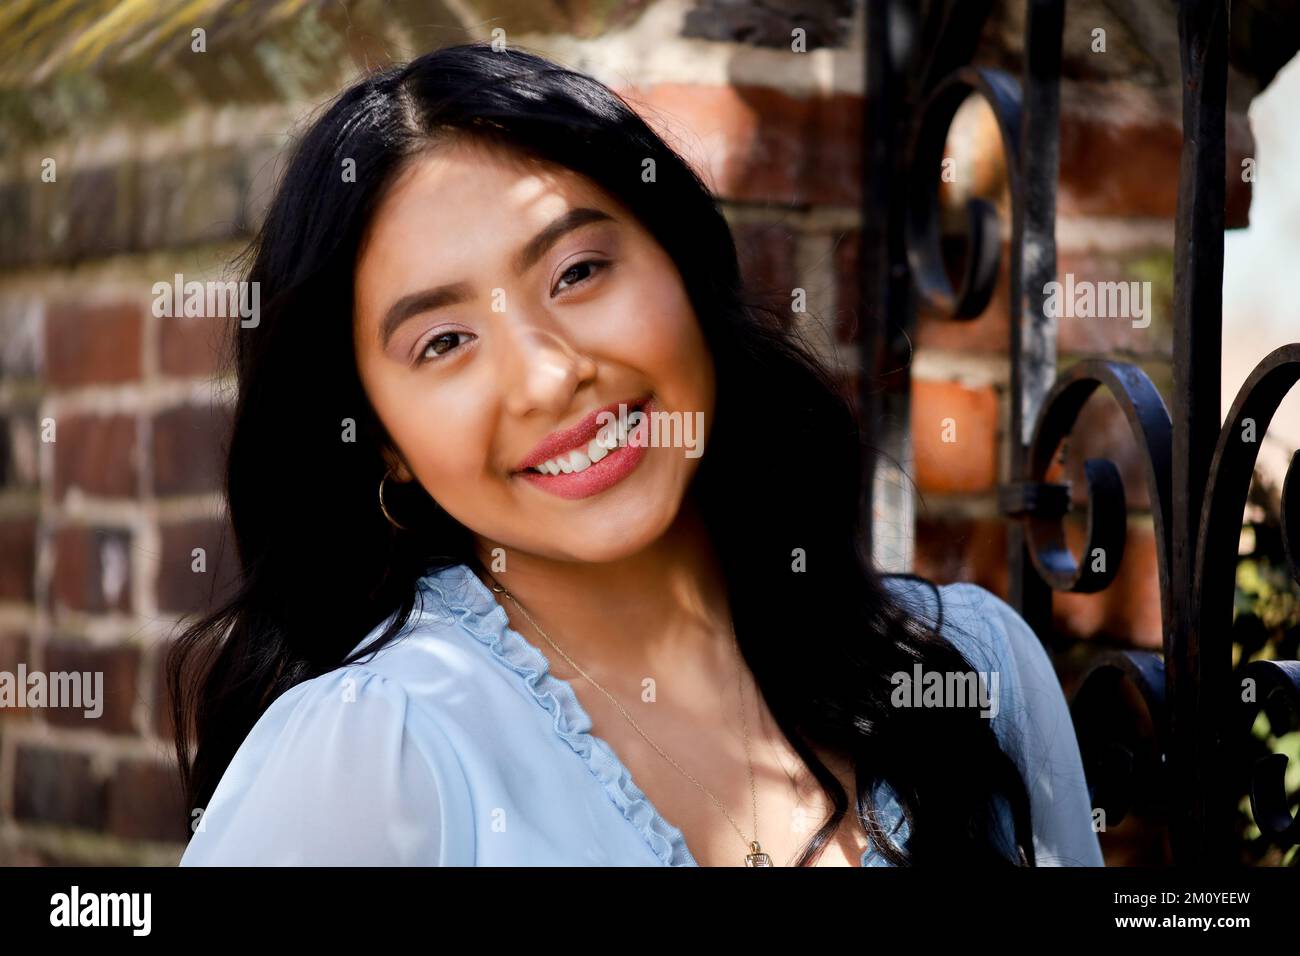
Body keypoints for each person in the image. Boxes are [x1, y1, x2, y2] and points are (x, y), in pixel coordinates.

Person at [171, 41, 1102, 868]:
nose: (547, 375)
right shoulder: (378, 751)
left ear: (684, 269)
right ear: (387, 446)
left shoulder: (974, 666)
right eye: (443, 342)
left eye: (576, 272)